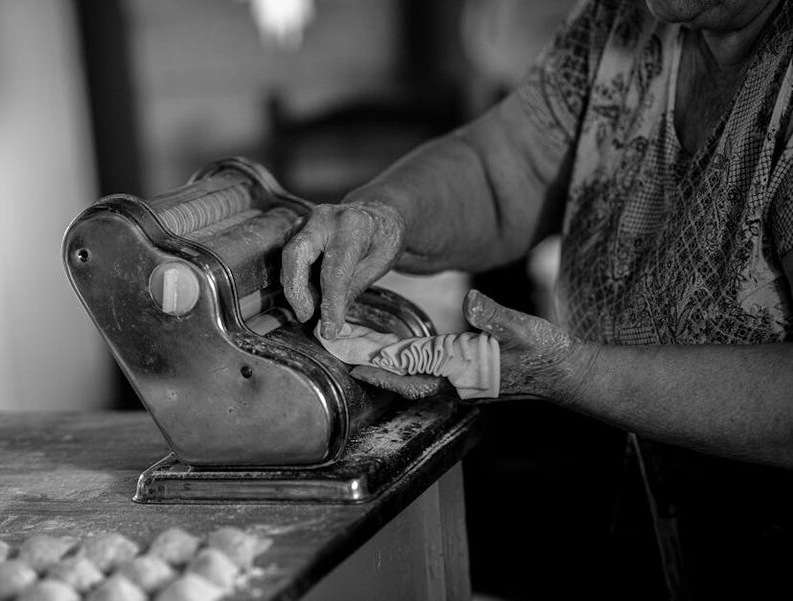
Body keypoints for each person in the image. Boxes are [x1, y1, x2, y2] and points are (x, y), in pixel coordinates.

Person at [280, 0, 793, 598]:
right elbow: (506, 173)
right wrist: (388, 216)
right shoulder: (627, 17)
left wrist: (575, 373)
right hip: (641, 501)